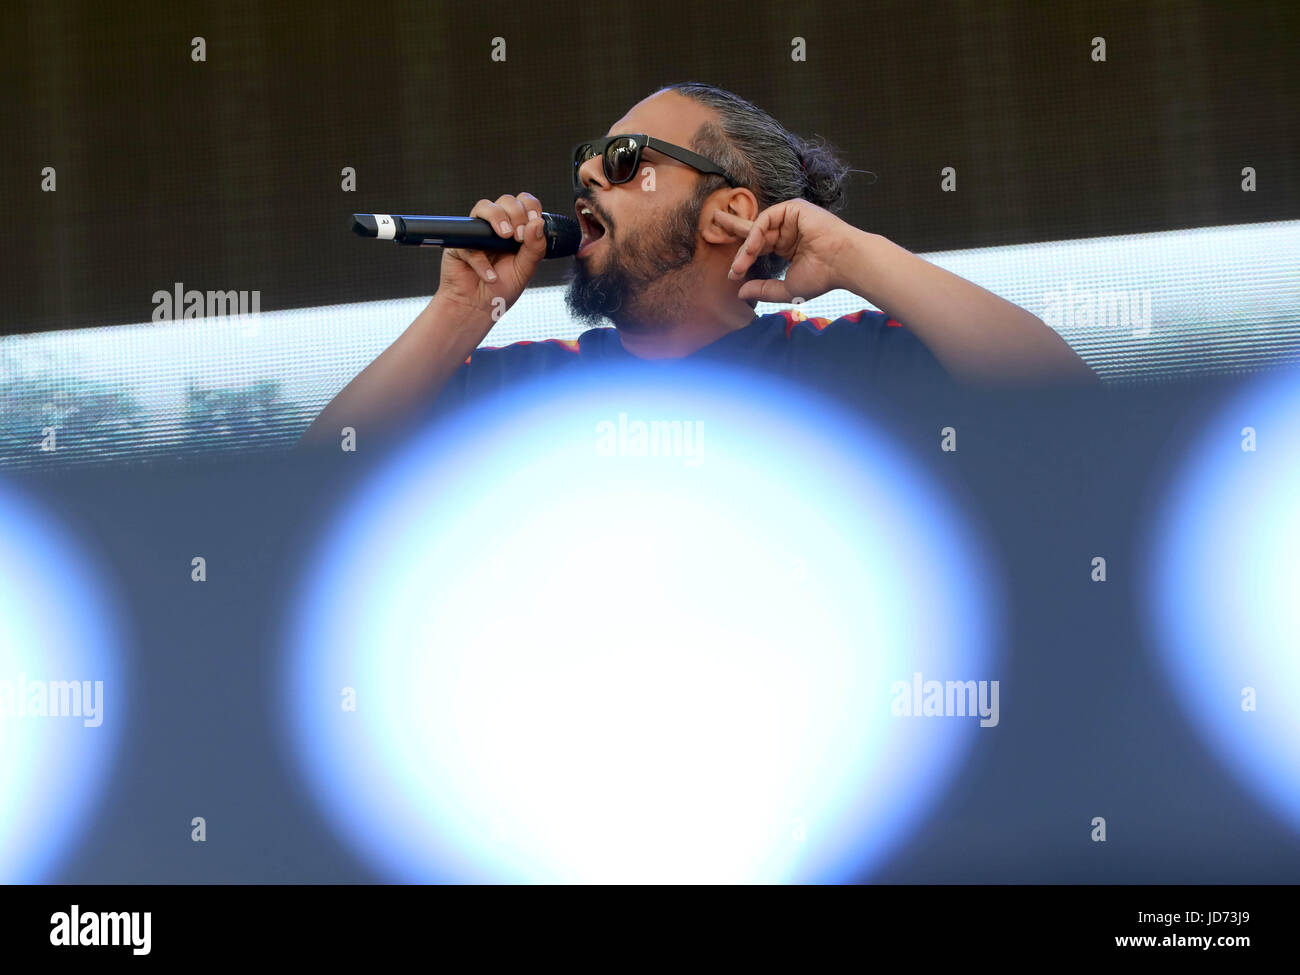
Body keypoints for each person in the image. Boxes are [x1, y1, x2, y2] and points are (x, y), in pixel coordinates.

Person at [301, 82, 1096, 447]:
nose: (586, 175)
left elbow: (1069, 405)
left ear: (731, 211)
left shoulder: (851, 364)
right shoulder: (518, 387)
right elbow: (315, 486)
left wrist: (856, 254)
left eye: (623, 159)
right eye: (586, 161)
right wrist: (457, 317)